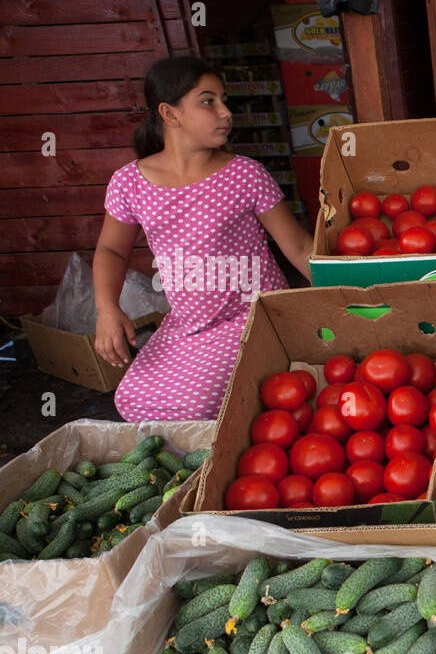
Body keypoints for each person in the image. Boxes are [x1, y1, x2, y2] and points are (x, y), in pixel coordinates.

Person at [93, 56, 315, 421]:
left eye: (224, 100)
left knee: (197, 407)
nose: (226, 112)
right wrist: (107, 309)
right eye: (208, 101)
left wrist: (347, 298)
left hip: (254, 316)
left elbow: (301, 248)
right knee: (131, 400)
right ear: (170, 113)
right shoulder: (129, 183)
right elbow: (111, 249)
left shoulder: (245, 175)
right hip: (188, 325)